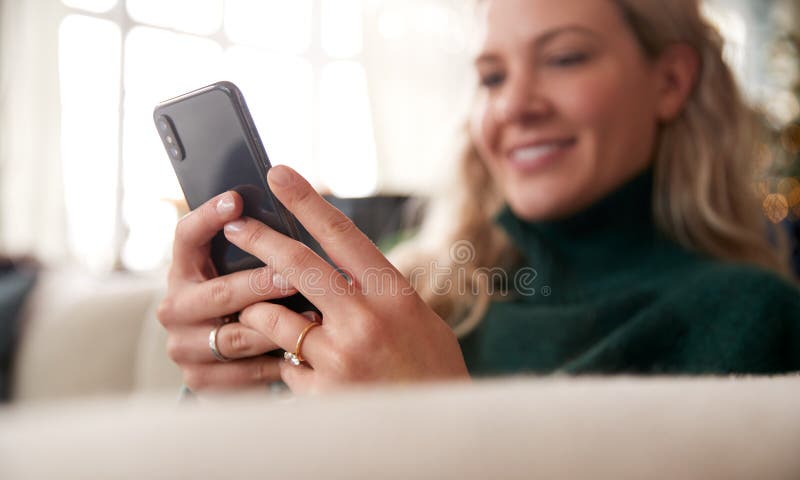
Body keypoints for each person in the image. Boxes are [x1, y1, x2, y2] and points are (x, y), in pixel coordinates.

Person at [157, 0, 800, 395]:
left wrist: (439, 428)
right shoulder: (413, 289)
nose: (515, 105)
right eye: (492, 76)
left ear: (670, 81)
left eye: (566, 58)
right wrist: (232, 390)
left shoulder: (749, 317)